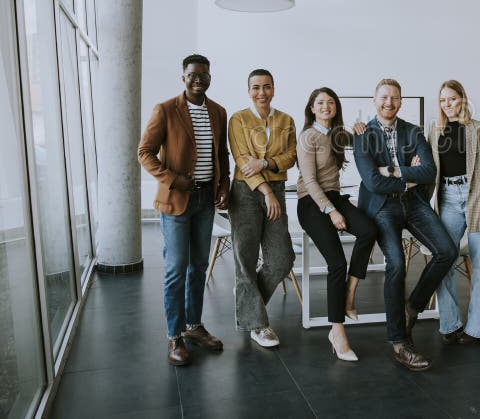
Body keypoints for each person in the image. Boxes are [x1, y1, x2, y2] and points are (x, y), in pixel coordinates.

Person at [353, 78, 457, 372]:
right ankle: (399, 342)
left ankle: (412, 307)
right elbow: (371, 180)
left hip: (412, 203)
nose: (389, 102)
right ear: (375, 100)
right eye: (384, 97)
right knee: (396, 263)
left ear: (401, 101)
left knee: (446, 251)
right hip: (382, 206)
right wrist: (406, 174)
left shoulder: (412, 131)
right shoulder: (363, 134)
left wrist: (392, 169)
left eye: (395, 98)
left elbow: (429, 171)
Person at [138, 54, 229, 366]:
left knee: (199, 267)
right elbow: (144, 153)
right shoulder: (165, 110)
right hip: (176, 201)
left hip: (206, 202)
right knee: (176, 268)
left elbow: (222, 153)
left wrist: (224, 185)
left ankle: (193, 327)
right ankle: (174, 334)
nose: (198, 79)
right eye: (192, 74)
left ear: (209, 76)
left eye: (203, 74)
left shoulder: (218, 111)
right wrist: (173, 179)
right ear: (183, 77)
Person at [296, 87, 378, 361]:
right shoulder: (307, 137)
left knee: (368, 230)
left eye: (330, 102)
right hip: (311, 202)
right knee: (337, 263)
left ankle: (350, 293)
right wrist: (330, 211)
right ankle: (337, 331)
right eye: (320, 102)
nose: (326, 106)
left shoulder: (338, 133)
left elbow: (364, 142)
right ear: (312, 108)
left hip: (334, 197)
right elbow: (309, 181)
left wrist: (360, 128)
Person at [429, 80, 480, 344]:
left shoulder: (478, 129)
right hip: (447, 199)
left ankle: (477, 329)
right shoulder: (434, 130)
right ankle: (450, 324)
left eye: (451, 98)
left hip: (476, 198)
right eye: (442, 100)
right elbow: (429, 166)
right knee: (443, 259)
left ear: (463, 99)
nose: (447, 104)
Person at [227, 69, 297, 348]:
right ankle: (258, 324)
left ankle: (246, 298)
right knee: (245, 258)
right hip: (246, 192)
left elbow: (290, 156)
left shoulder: (286, 120)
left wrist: (266, 164)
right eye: (255, 87)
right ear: (248, 90)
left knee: (282, 258)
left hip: (276, 189)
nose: (261, 92)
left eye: (266, 87)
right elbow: (242, 158)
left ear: (273, 89)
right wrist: (266, 191)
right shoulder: (238, 119)